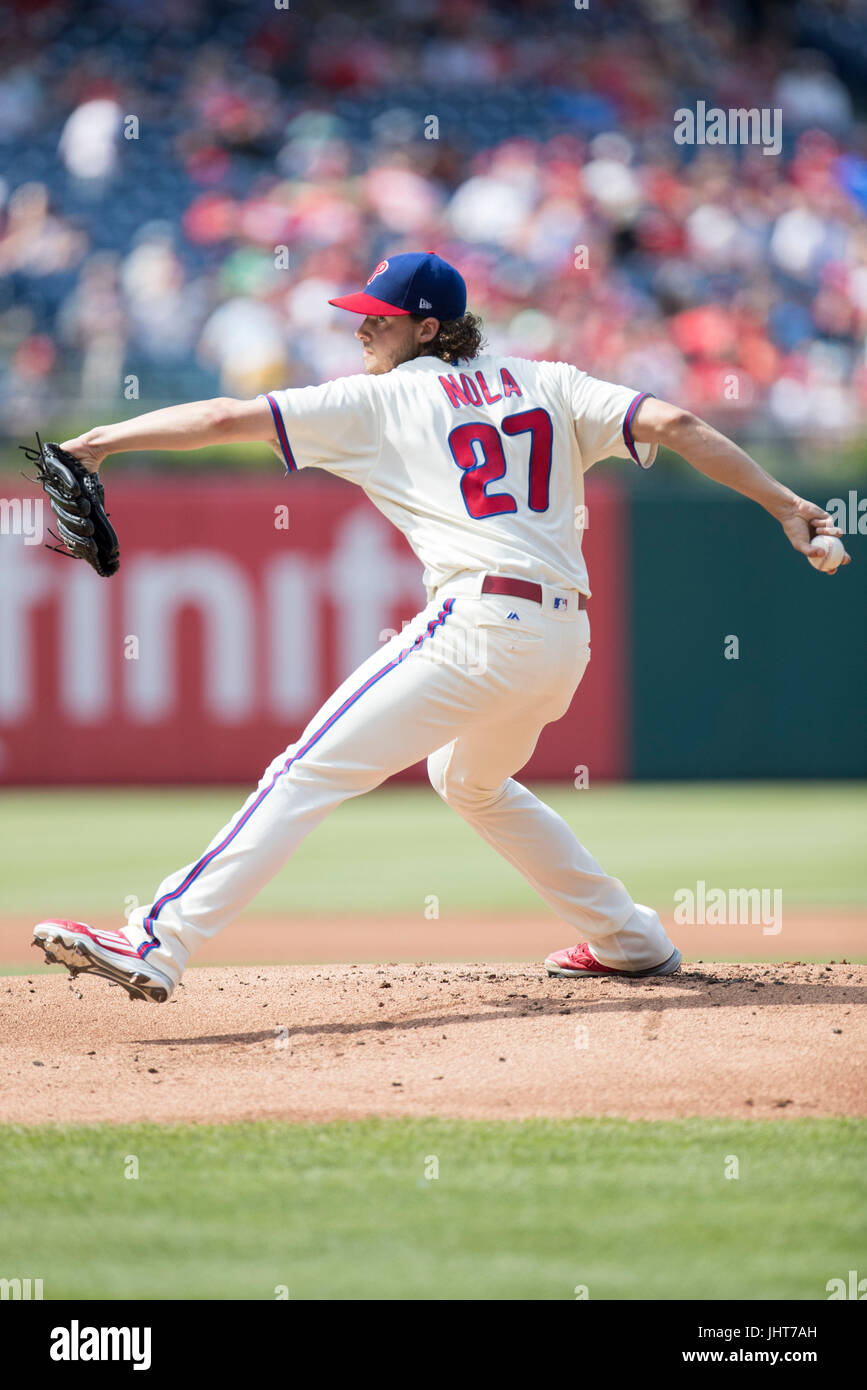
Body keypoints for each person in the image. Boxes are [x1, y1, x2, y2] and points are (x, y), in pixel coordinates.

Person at [33, 252, 850, 1002]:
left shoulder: (381, 397)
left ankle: (156, 939)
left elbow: (221, 420)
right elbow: (674, 425)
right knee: (468, 781)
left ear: (427, 327)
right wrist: (785, 505)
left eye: (378, 318)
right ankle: (627, 938)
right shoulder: (549, 379)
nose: (360, 327)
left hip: (479, 624)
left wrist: (97, 442)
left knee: (305, 771)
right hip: (563, 640)